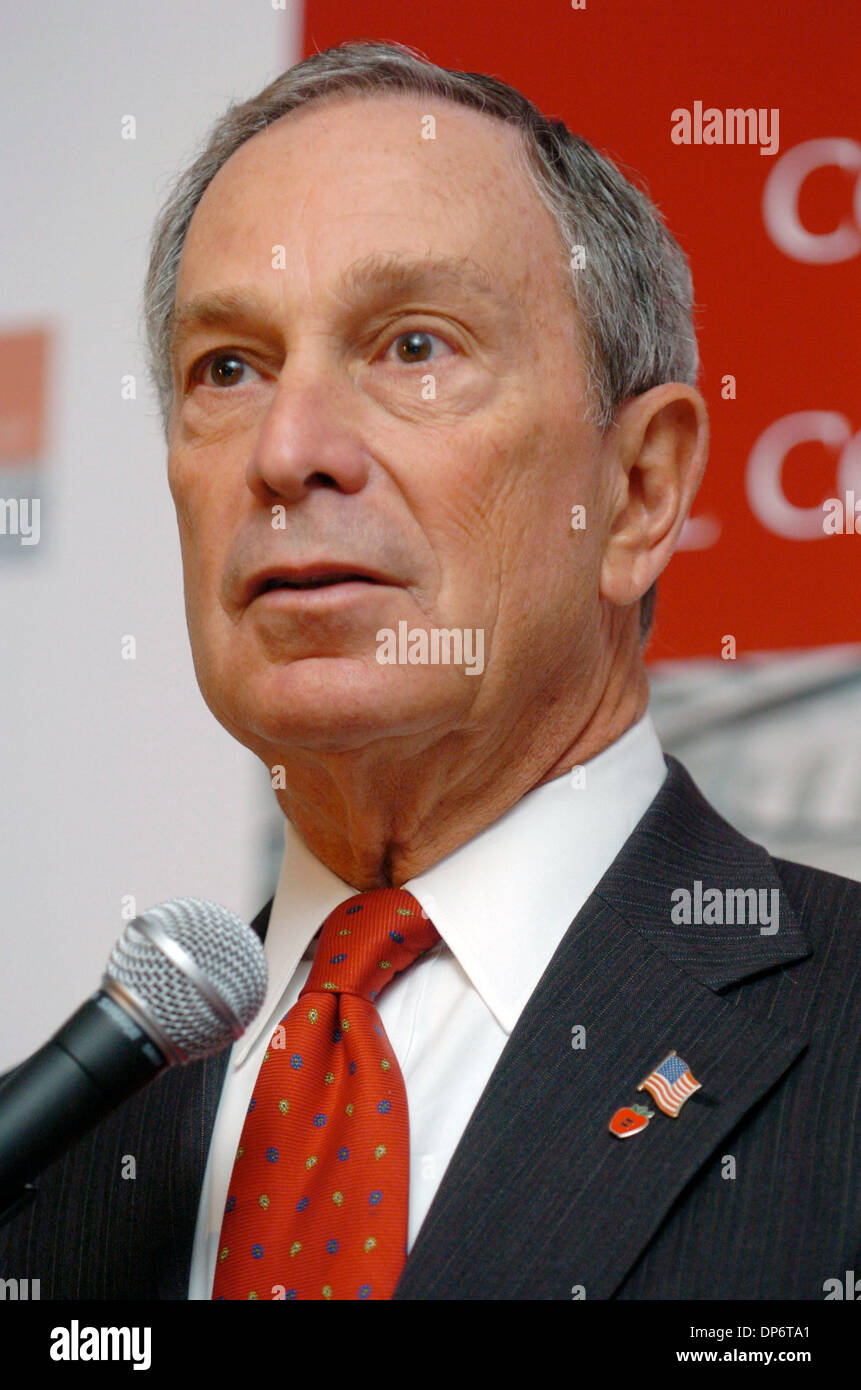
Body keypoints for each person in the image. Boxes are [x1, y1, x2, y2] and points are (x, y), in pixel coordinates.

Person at [1, 39, 858, 1301]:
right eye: (226, 367)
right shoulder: (55, 1159)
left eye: (413, 347)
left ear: (639, 489)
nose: (288, 451)